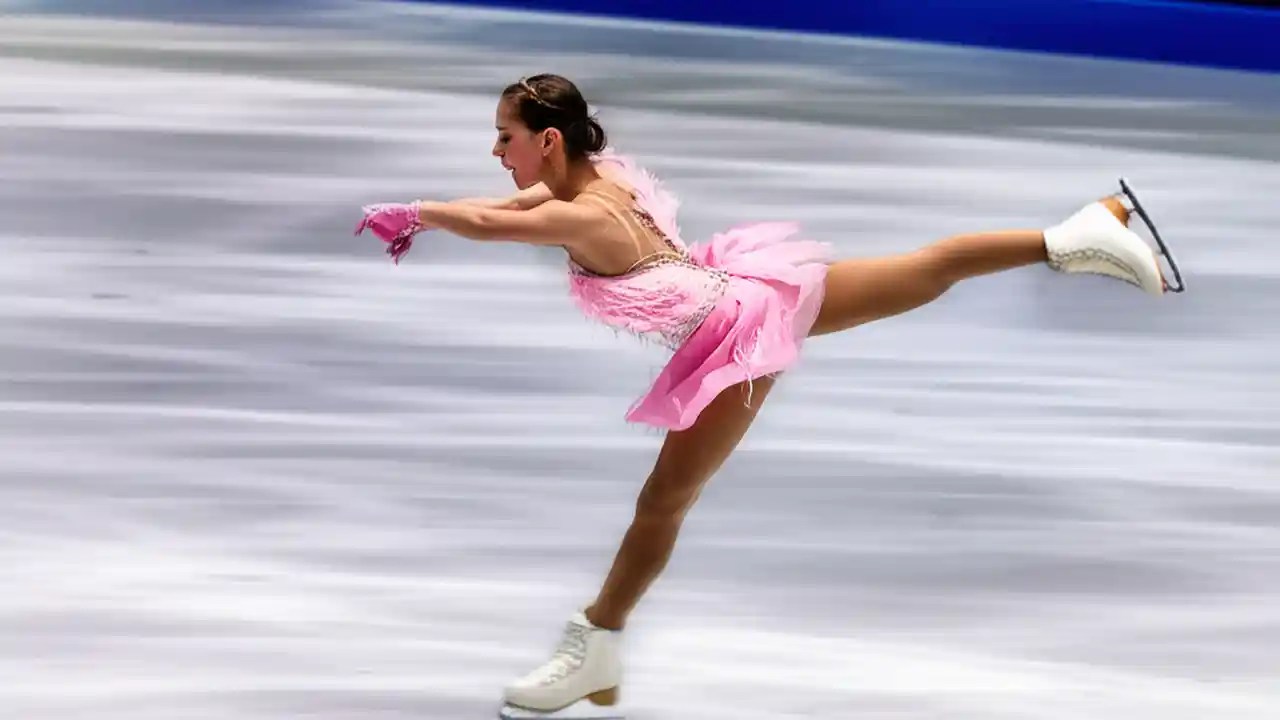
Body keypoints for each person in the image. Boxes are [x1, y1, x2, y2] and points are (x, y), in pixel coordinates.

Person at [354, 74, 1173, 715]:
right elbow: (503, 206)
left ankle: (597, 643)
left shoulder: (587, 221)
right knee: (925, 269)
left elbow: (498, 224)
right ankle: (1085, 228)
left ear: (550, 140)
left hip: (736, 336)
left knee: (664, 500)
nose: (497, 152)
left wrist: (415, 210)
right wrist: (432, 218)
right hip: (745, 291)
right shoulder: (594, 182)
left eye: (506, 138)